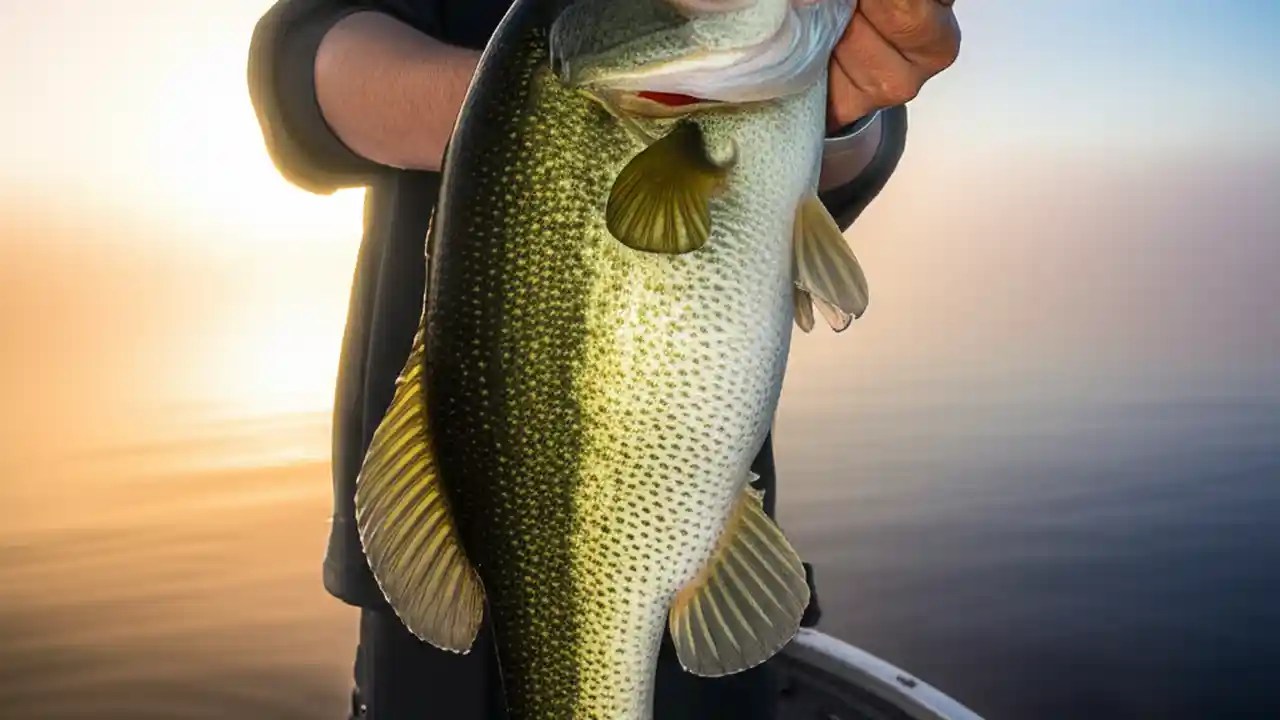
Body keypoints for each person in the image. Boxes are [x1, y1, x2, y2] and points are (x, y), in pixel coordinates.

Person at [247, 1, 960, 717]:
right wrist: (554, 118)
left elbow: (847, 156)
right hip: (461, 556)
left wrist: (847, 95)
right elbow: (298, 59)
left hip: (687, 521)